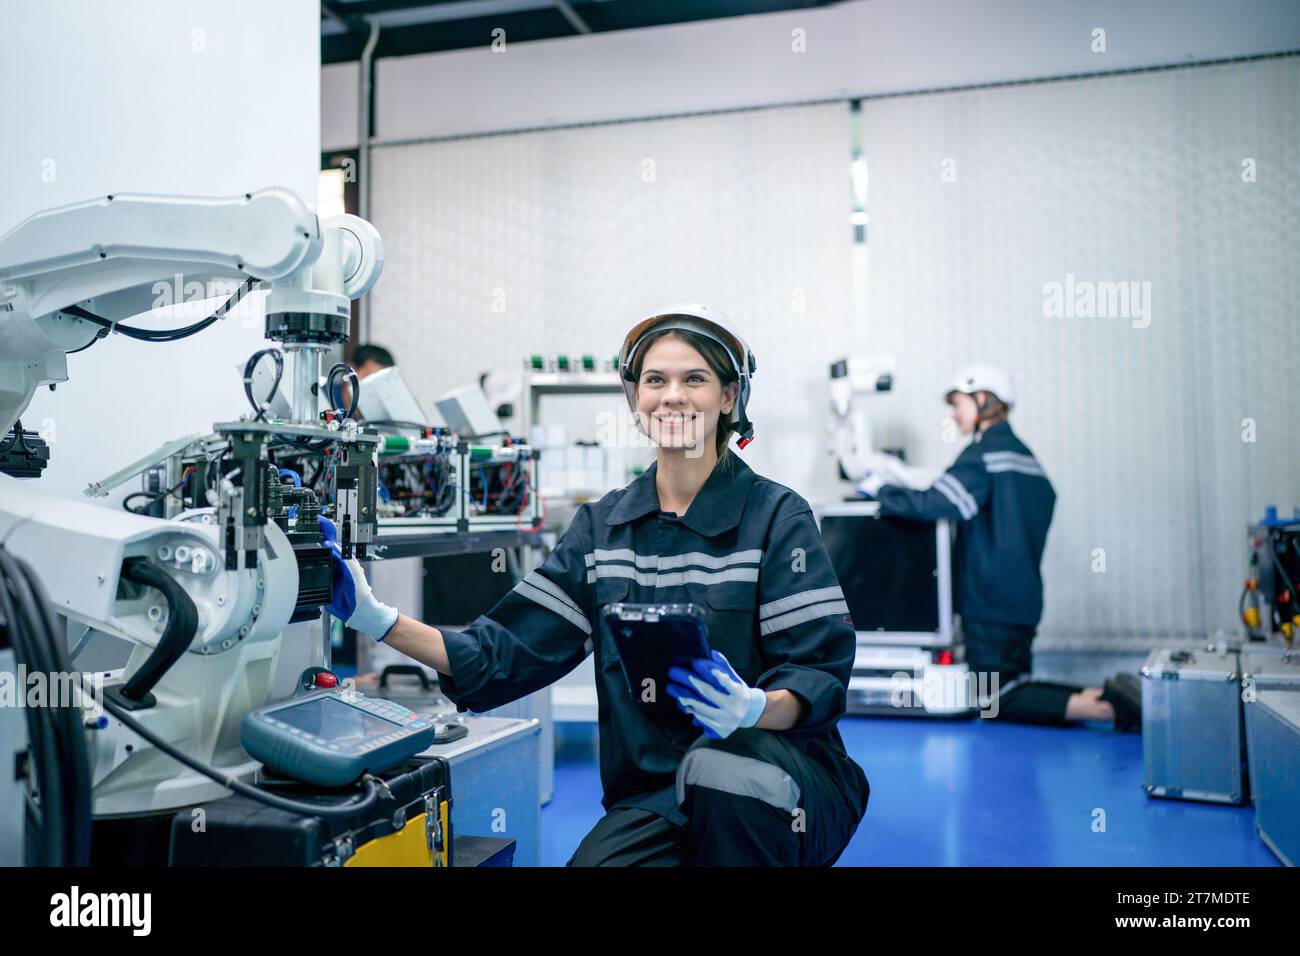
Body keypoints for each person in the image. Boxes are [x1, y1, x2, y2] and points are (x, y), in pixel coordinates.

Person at [322, 306, 870, 865]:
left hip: (780, 772)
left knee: (725, 772)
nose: (673, 396)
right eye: (655, 380)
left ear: (730, 397)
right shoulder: (603, 529)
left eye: (695, 379)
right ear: (636, 400)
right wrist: (376, 619)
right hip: (659, 793)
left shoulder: (777, 517)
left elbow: (818, 674)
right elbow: (503, 650)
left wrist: (754, 708)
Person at [859, 365, 1141, 731]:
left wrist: (879, 490)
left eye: (958, 404)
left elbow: (934, 503)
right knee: (1014, 683)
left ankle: (1106, 709)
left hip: (989, 602)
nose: (953, 414)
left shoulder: (982, 455)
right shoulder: (1027, 459)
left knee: (993, 699)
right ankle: (1100, 695)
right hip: (1023, 601)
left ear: (983, 401)